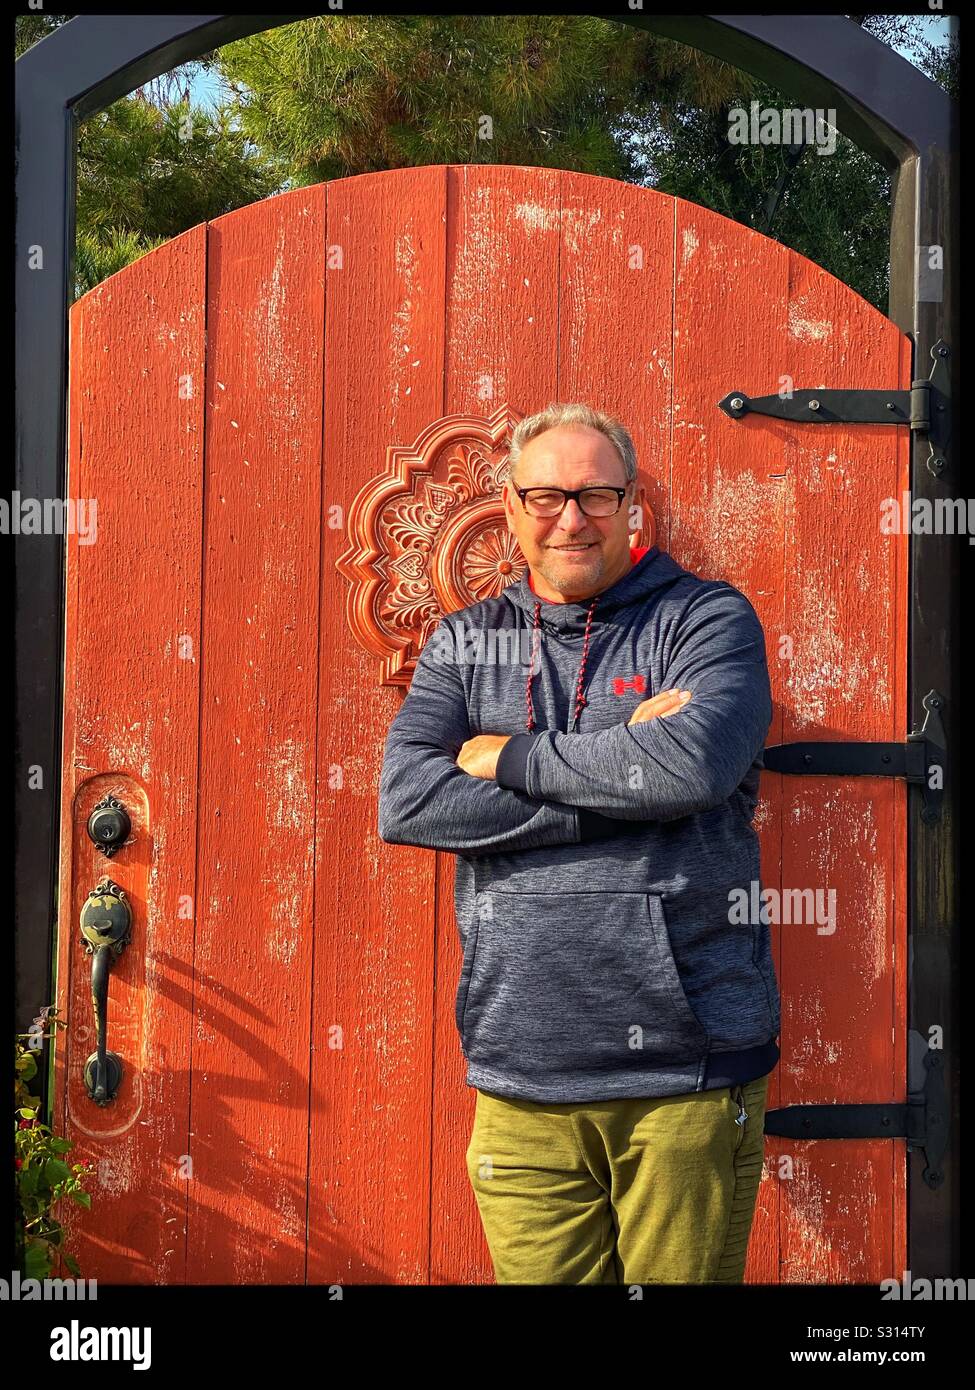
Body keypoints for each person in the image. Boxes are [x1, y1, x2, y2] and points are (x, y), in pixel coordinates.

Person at [378, 401, 780, 1284]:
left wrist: (506, 758)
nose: (572, 517)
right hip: (519, 1076)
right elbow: (408, 802)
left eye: (596, 495)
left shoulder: (705, 622)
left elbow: (690, 770)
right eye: (547, 496)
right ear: (512, 509)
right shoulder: (465, 641)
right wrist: (623, 778)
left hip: (682, 1080)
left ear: (632, 504)